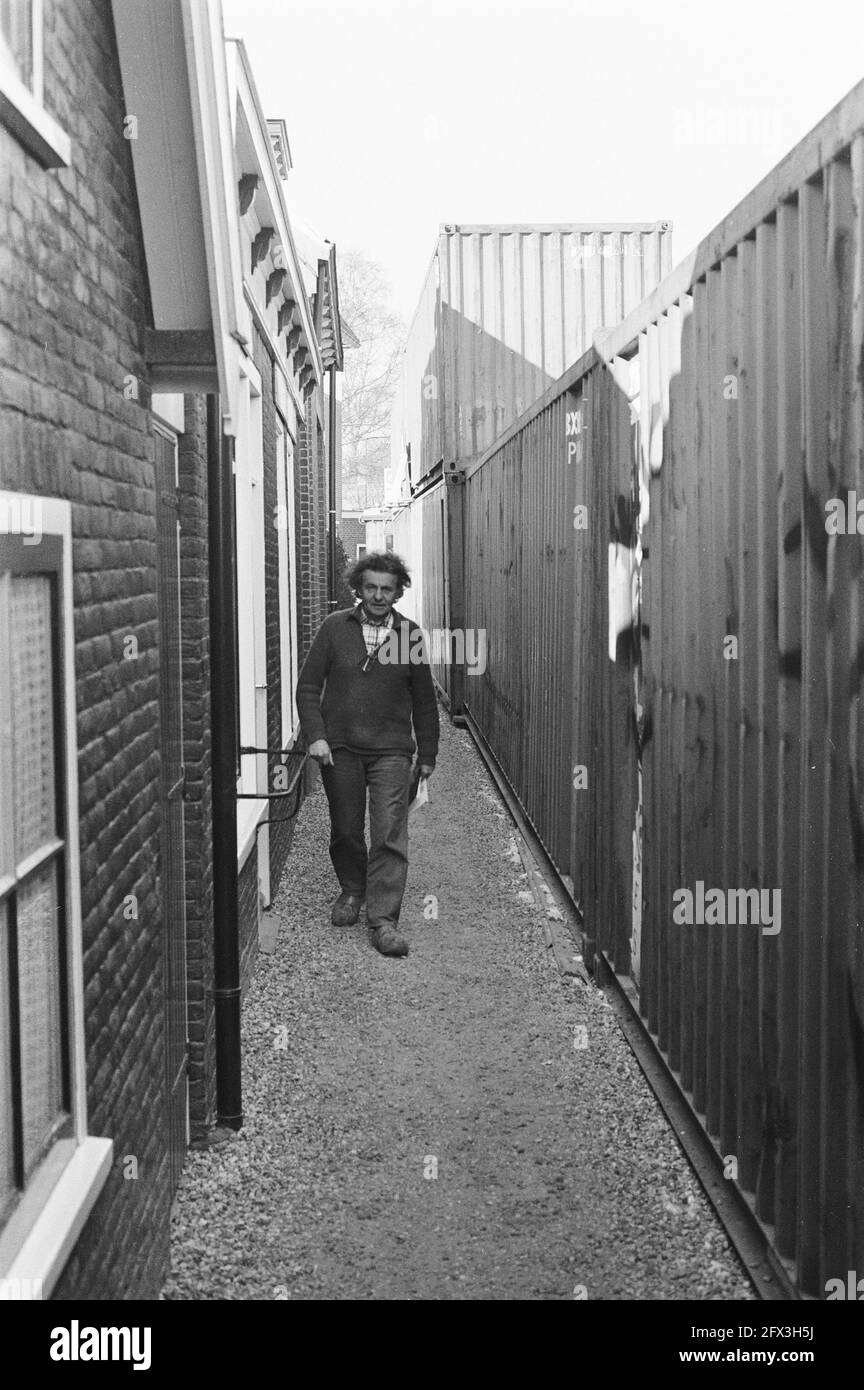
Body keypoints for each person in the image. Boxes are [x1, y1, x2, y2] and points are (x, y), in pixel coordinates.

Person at [295, 552, 439, 957]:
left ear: (398, 593)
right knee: (344, 829)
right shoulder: (334, 628)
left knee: (389, 832)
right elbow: (307, 689)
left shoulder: (408, 635)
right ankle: (352, 890)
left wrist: (427, 753)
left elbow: (425, 701)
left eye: (386, 589)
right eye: (371, 587)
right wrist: (316, 736)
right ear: (358, 588)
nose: (378, 595)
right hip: (339, 749)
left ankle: (383, 920)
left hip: (391, 751)